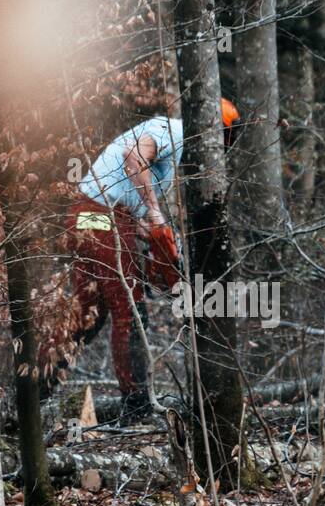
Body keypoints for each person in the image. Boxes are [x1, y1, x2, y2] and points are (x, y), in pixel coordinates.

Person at [45, 99, 240, 425]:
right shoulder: (173, 131)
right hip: (100, 217)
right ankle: (136, 408)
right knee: (130, 312)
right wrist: (154, 211)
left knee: (87, 317)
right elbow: (133, 158)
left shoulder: (171, 137)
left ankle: (30, 390)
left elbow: (124, 194)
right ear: (214, 130)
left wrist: (153, 237)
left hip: (90, 215)